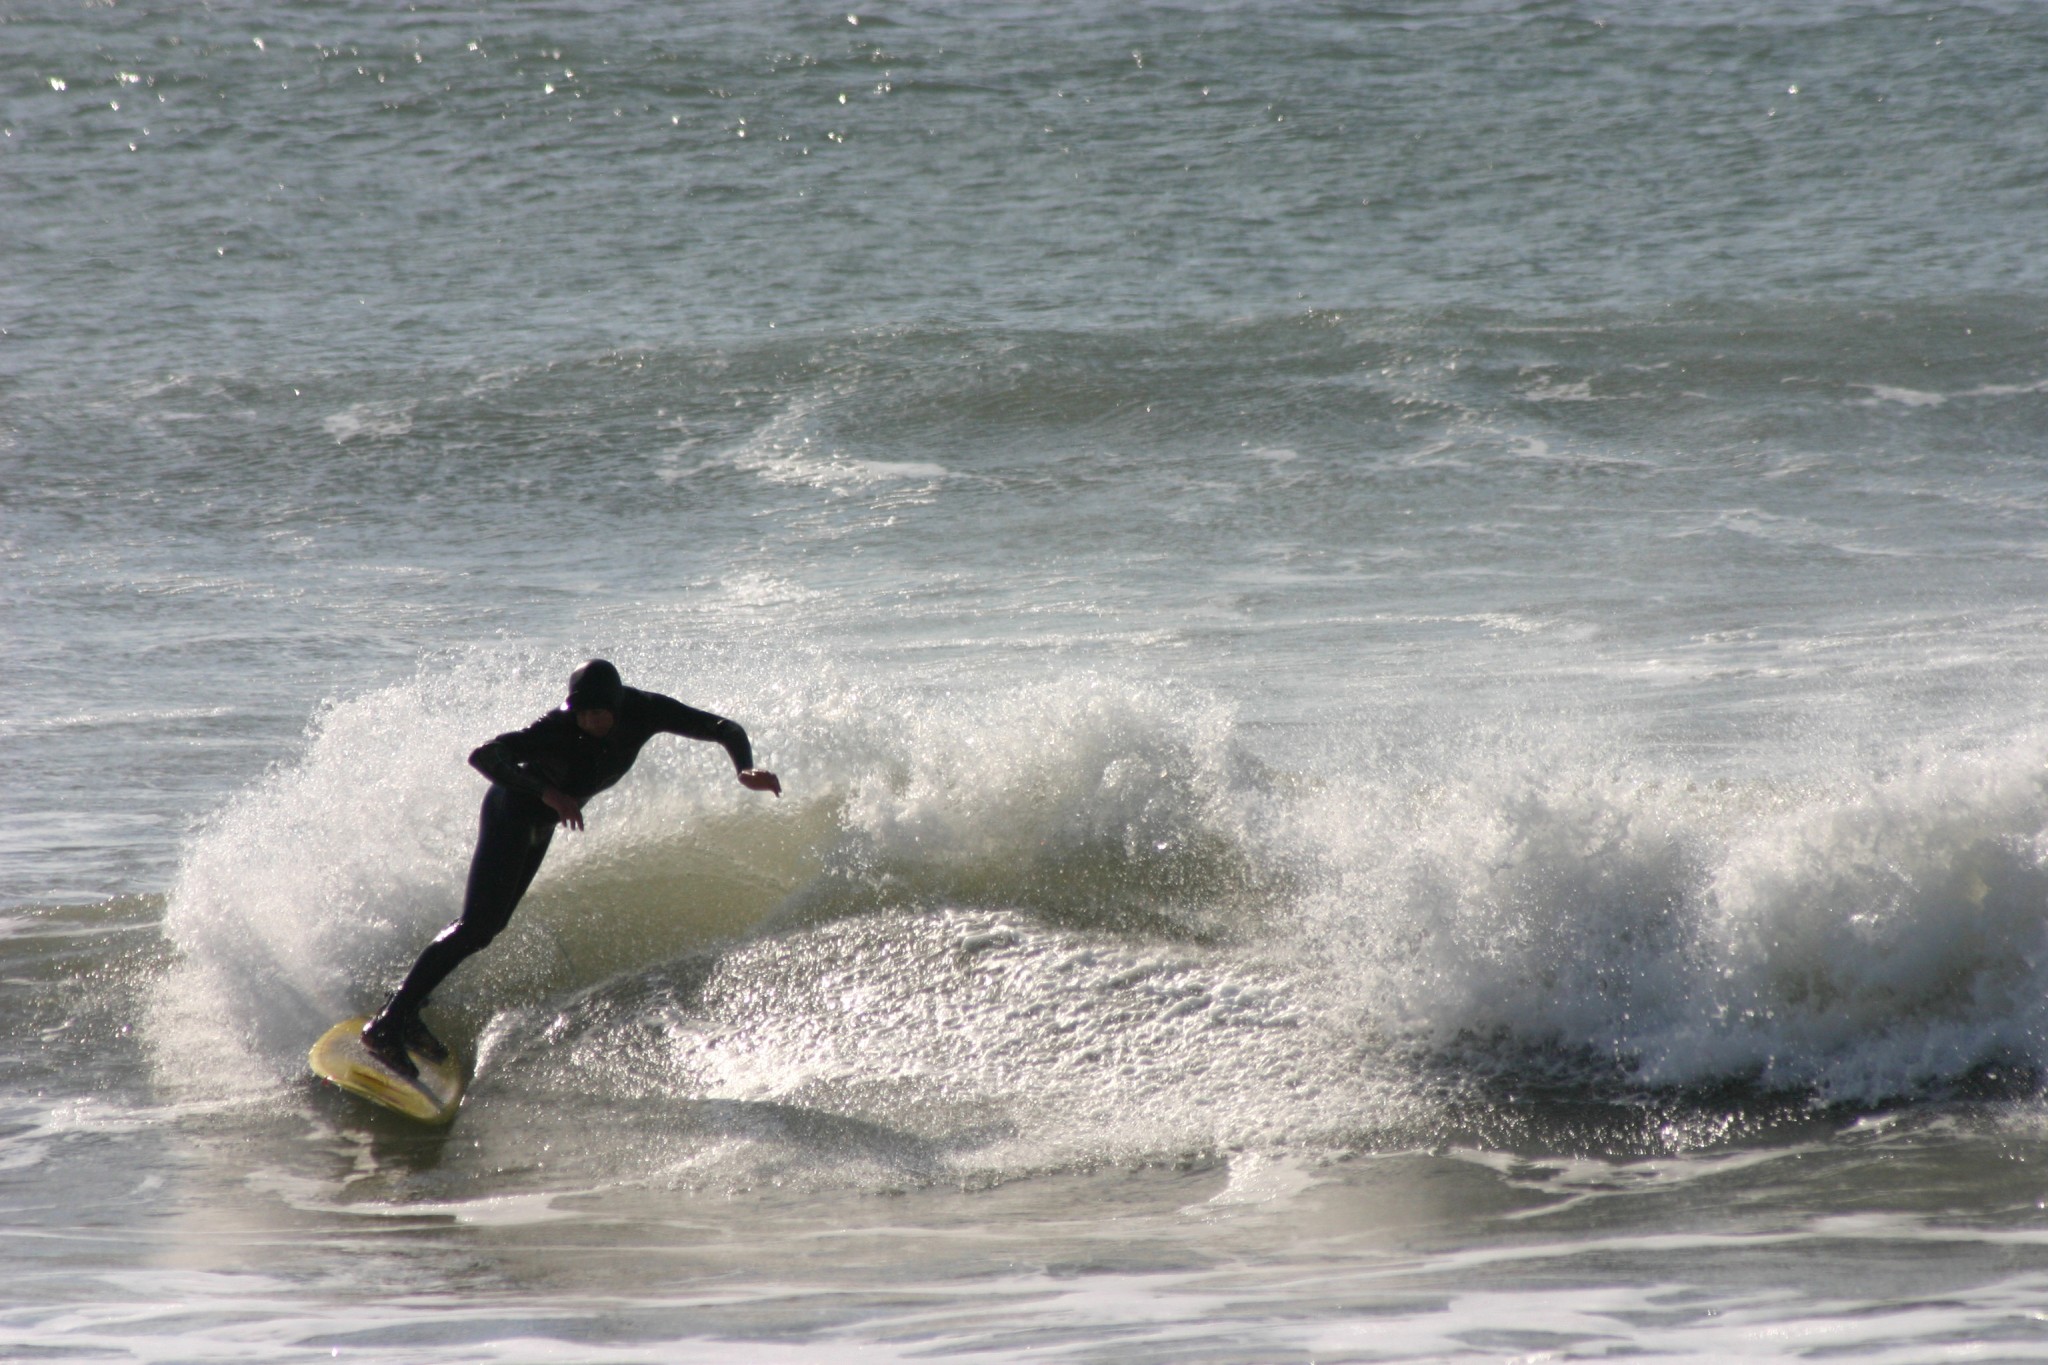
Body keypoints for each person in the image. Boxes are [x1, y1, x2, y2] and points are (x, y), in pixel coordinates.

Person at [360, 659, 782, 1078]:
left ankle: (407, 1009)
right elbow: (484, 756)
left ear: (616, 708)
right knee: (476, 925)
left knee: (488, 928)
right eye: (582, 713)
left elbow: (723, 728)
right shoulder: (557, 726)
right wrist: (549, 793)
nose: (589, 721)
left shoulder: (645, 711)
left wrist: (743, 767)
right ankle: (387, 1026)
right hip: (512, 814)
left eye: (598, 714)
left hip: (540, 824)